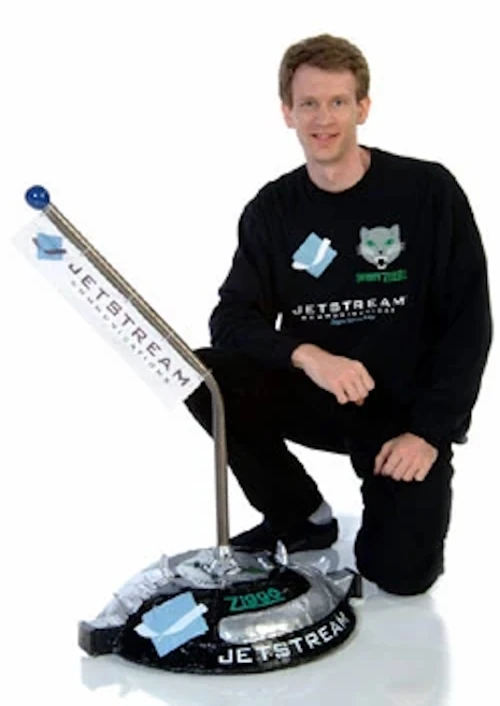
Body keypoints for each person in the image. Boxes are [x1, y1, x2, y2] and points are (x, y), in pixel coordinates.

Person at [186, 34, 492, 596]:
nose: (322, 119)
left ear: (363, 108)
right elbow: (231, 321)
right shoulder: (273, 209)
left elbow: (468, 324)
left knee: (401, 576)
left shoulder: (427, 191)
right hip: (318, 396)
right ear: (287, 112)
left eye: (337, 102)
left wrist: (428, 432)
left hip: (401, 416)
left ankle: (391, 519)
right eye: (308, 103)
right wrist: (309, 356)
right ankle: (298, 515)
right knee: (203, 374)